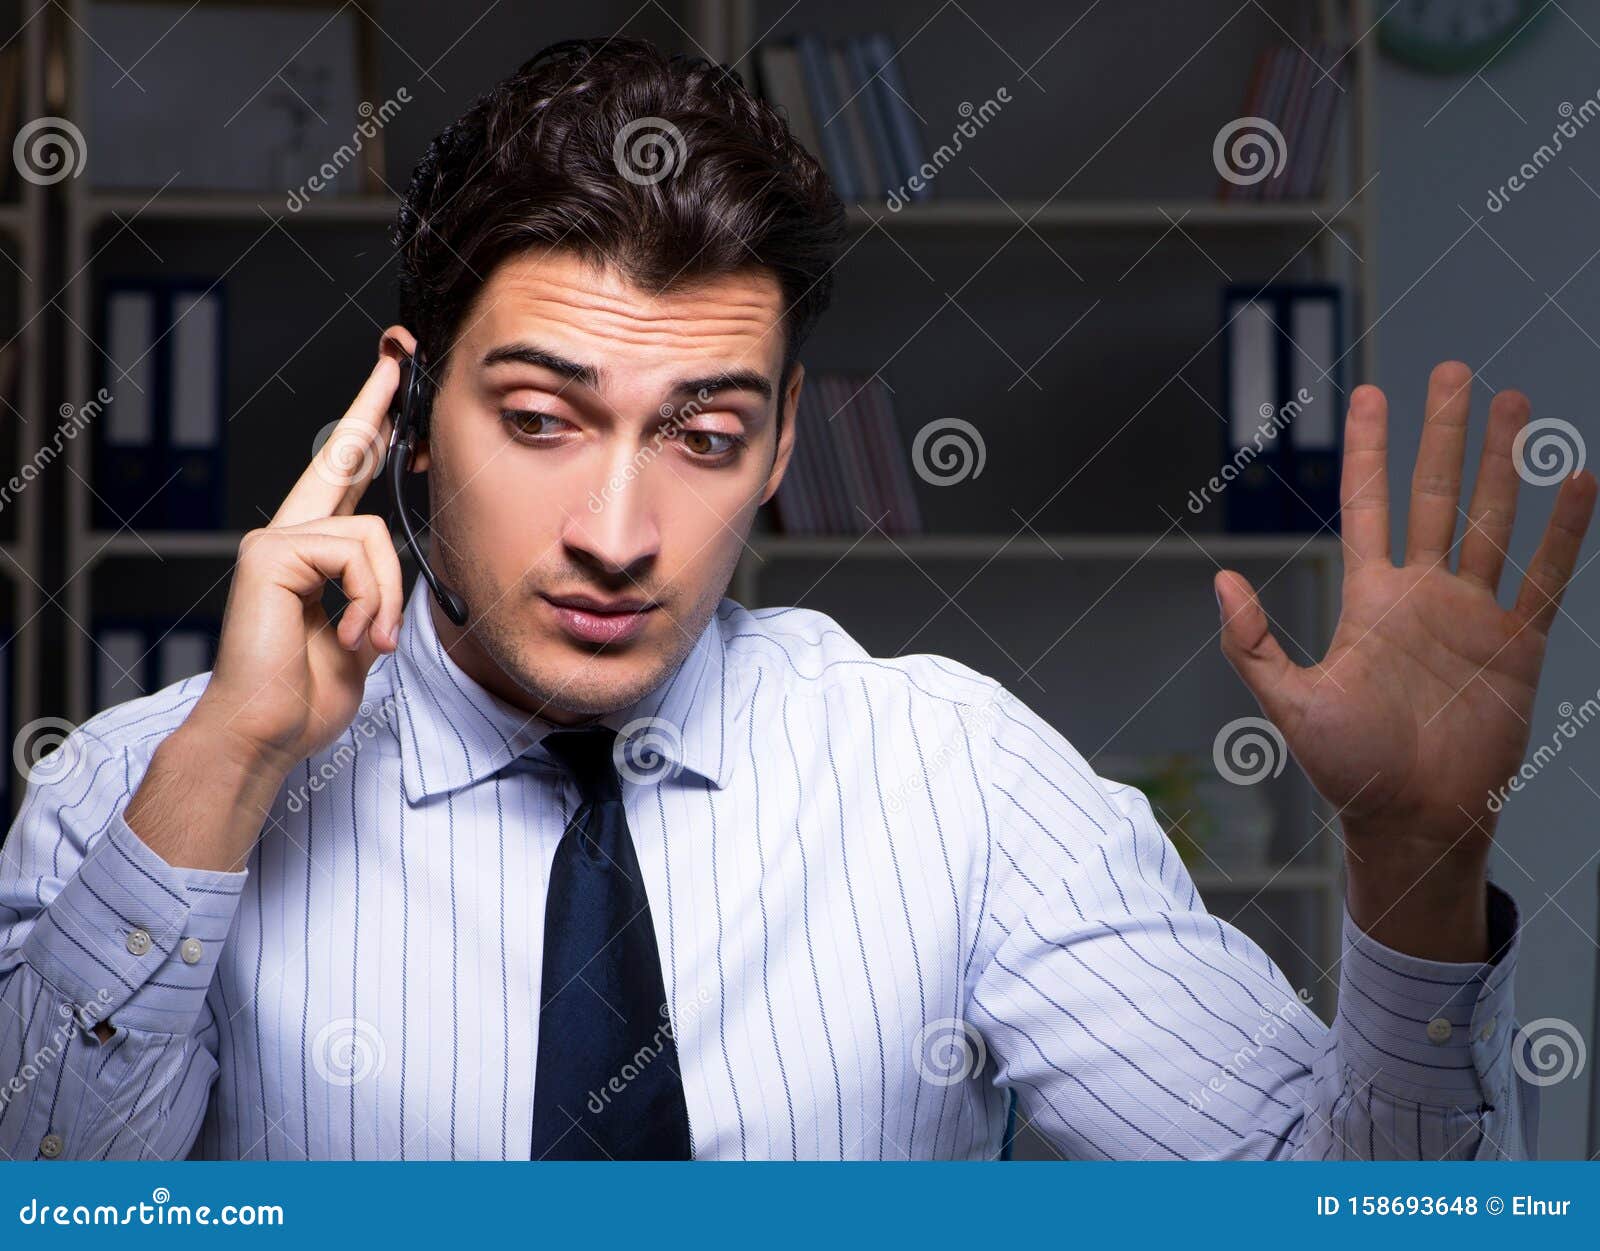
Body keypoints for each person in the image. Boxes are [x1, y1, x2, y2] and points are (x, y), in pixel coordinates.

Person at [0, 37, 1591, 1161]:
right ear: (410, 417)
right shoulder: (128, 798)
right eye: (543, 422)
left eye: (704, 436)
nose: (620, 532)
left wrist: (1416, 867)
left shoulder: (955, 783)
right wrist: (219, 776)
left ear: (779, 444)